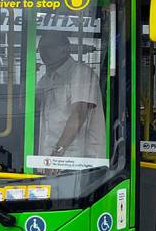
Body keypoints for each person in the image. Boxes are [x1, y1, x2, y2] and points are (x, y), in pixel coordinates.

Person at [36, 31, 105, 159]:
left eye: (48, 48)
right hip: (50, 158)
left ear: (65, 49)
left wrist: (58, 151)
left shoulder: (80, 73)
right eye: (40, 49)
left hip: (76, 159)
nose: (43, 53)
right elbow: (31, 108)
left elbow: (79, 114)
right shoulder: (46, 78)